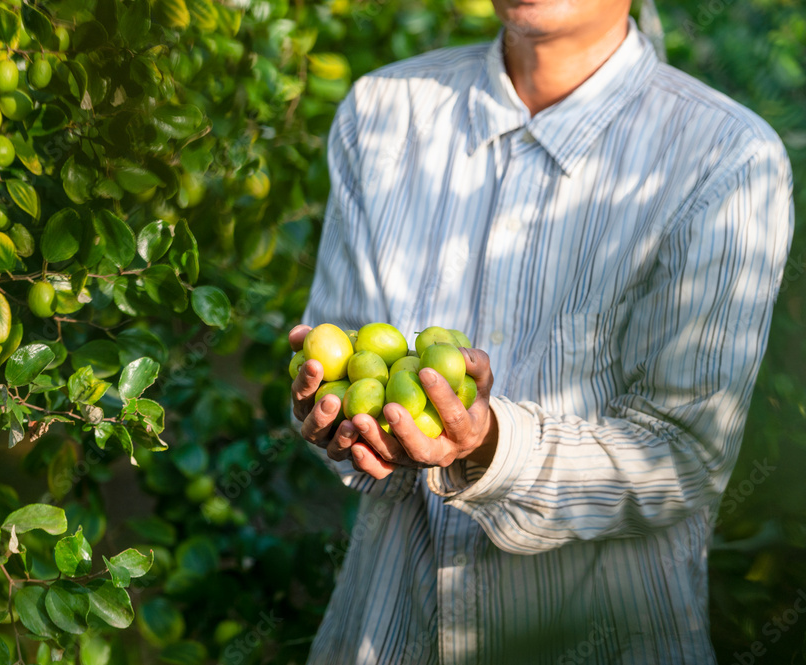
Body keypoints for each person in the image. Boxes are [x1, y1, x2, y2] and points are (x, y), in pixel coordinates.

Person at [288, 0, 795, 663]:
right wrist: (346, 431)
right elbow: (345, 365)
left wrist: (488, 446)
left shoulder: (725, 156)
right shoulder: (383, 111)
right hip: (383, 635)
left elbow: (684, 455)